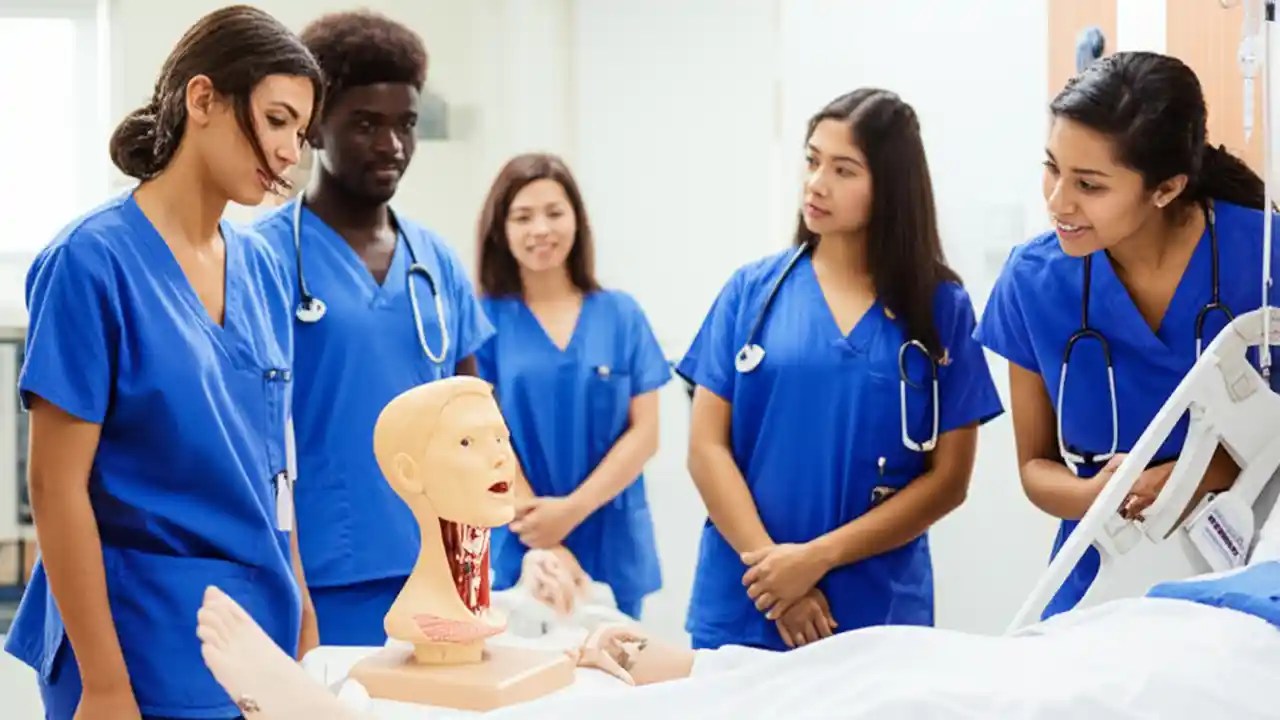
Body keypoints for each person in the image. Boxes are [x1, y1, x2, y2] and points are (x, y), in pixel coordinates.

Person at [1, 6, 323, 719]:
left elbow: (276, 463)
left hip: (256, 637)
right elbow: (55, 486)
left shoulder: (266, 267)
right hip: (133, 642)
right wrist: (107, 685)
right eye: (275, 121)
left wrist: (298, 604)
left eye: (300, 134)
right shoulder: (91, 261)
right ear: (202, 98)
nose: (288, 155)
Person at [675, 88, 1004, 652]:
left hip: (876, 605)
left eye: (843, 169)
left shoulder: (940, 307)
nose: (816, 183)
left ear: (890, 187)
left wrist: (814, 561)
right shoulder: (751, 293)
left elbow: (948, 481)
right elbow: (706, 449)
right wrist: (779, 582)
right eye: (812, 160)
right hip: (748, 600)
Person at [974, 51, 1278, 620]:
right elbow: (1035, 468)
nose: (1057, 201)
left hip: (1245, 569)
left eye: (1088, 184)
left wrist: (1193, 476)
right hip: (1099, 576)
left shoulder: (1264, 257)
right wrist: (1098, 496)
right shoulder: (1033, 281)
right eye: (1052, 168)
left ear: (1165, 189)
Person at [251, 9, 494, 647]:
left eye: (404, 124)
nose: (391, 145)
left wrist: (474, 571)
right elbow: (251, 432)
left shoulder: (435, 261)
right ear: (316, 130)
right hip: (315, 575)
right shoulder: (264, 258)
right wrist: (289, 580)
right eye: (365, 124)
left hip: (436, 569)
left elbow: (474, 424)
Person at [474, 153, 671, 620]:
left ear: (577, 222)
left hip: (610, 535)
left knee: (617, 673)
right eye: (522, 217)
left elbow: (645, 434)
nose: (540, 229)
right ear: (501, 230)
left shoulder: (621, 316)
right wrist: (544, 534)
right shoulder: (483, 322)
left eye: (554, 213)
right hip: (520, 539)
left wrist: (572, 511)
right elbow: (481, 437)